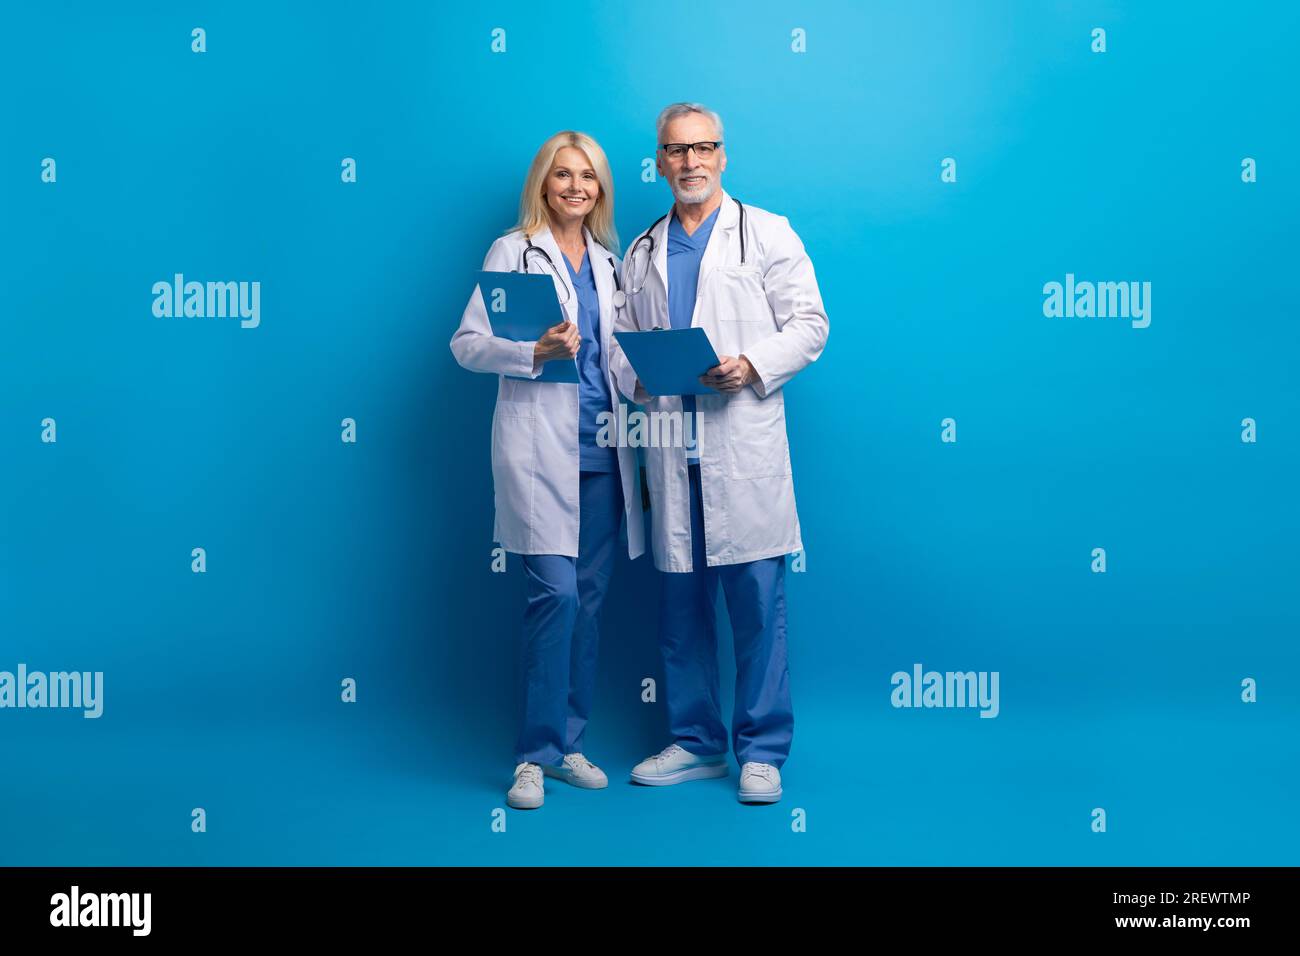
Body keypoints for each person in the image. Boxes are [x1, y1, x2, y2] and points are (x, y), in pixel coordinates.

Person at [608, 103, 829, 804]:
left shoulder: (765, 232)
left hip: (742, 444)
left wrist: (752, 365)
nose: (690, 162)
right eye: (676, 151)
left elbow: (810, 324)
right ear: (659, 161)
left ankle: (761, 750)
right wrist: (636, 378)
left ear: (723, 155)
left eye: (703, 148)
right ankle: (696, 743)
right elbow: (621, 344)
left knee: (757, 606)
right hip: (674, 449)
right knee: (680, 607)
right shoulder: (643, 250)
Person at [450, 131, 644, 810]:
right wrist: (532, 350)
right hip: (539, 451)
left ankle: (569, 743)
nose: (574, 187)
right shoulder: (514, 252)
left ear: (600, 189)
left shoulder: (611, 264)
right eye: (562, 175)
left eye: (587, 177)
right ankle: (533, 756)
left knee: (587, 606)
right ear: (543, 182)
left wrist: (644, 381)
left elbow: (614, 360)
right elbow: (467, 345)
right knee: (554, 597)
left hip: (603, 450)